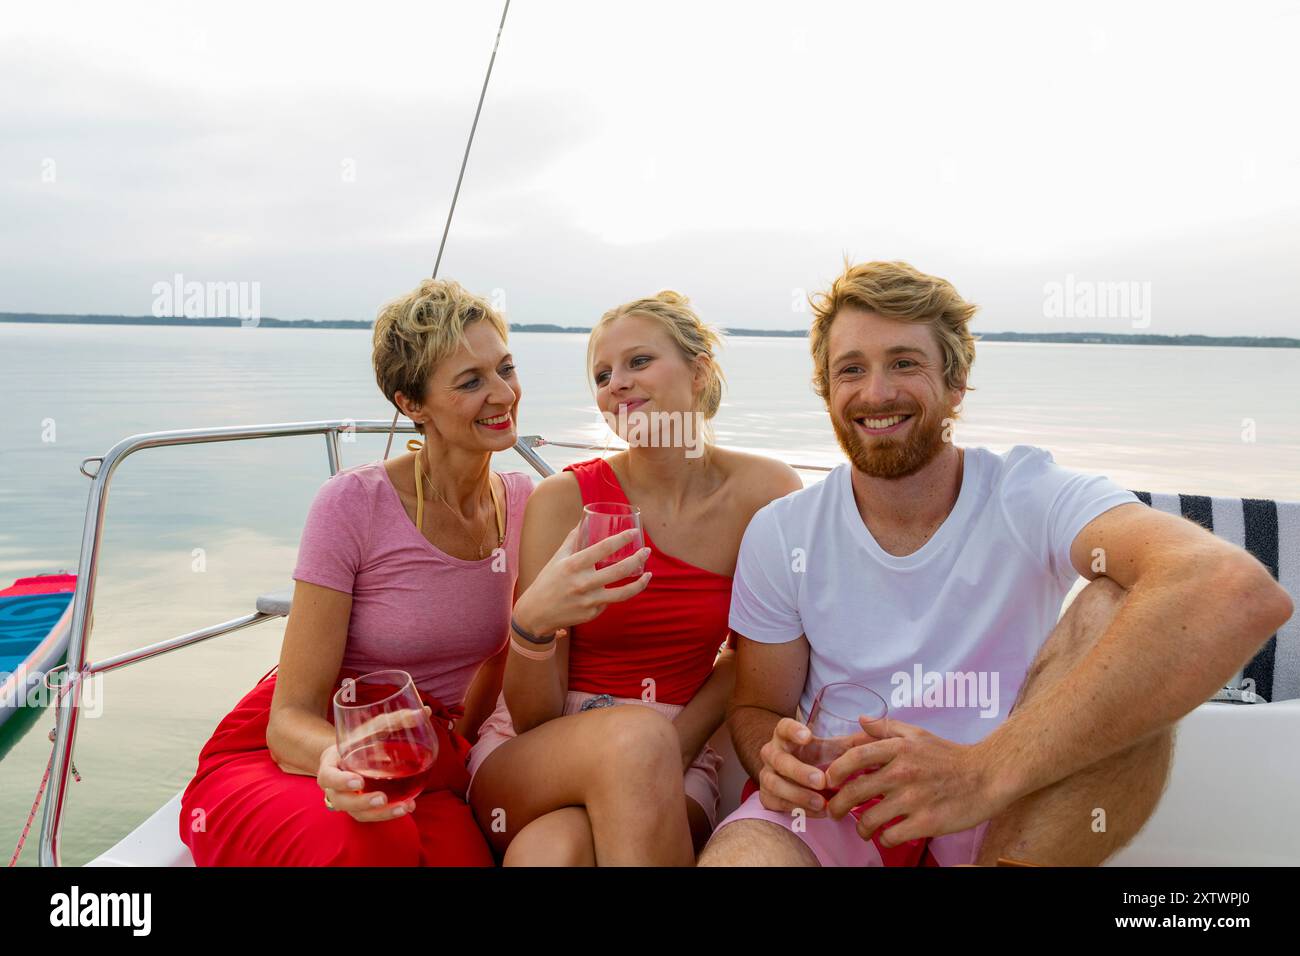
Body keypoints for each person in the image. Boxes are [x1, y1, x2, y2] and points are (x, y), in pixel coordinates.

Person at [698, 260, 1293, 867]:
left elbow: (1233, 590)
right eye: (851, 369)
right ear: (828, 390)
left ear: (955, 384)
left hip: (1009, 809)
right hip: (832, 810)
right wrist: (774, 756)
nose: (876, 393)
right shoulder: (783, 531)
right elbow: (757, 708)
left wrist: (979, 773)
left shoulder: (1026, 492)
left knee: (1117, 599)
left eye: (905, 362)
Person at [179, 278, 536, 866]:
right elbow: (287, 720)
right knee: (369, 845)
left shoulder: (525, 502)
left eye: (505, 368)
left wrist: (464, 753)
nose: (502, 394)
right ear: (411, 403)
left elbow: (504, 656)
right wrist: (337, 760)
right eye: (471, 381)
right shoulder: (354, 504)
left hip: (423, 757)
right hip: (299, 752)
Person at [465, 290, 803, 865]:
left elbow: (751, 659)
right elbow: (533, 718)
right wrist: (533, 625)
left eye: (638, 362)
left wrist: (668, 747)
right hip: (533, 749)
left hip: (679, 739)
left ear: (700, 372)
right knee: (631, 743)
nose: (615, 383)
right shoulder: (564, 499)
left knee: (550, 854)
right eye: (602, 374)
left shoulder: (767, 494)